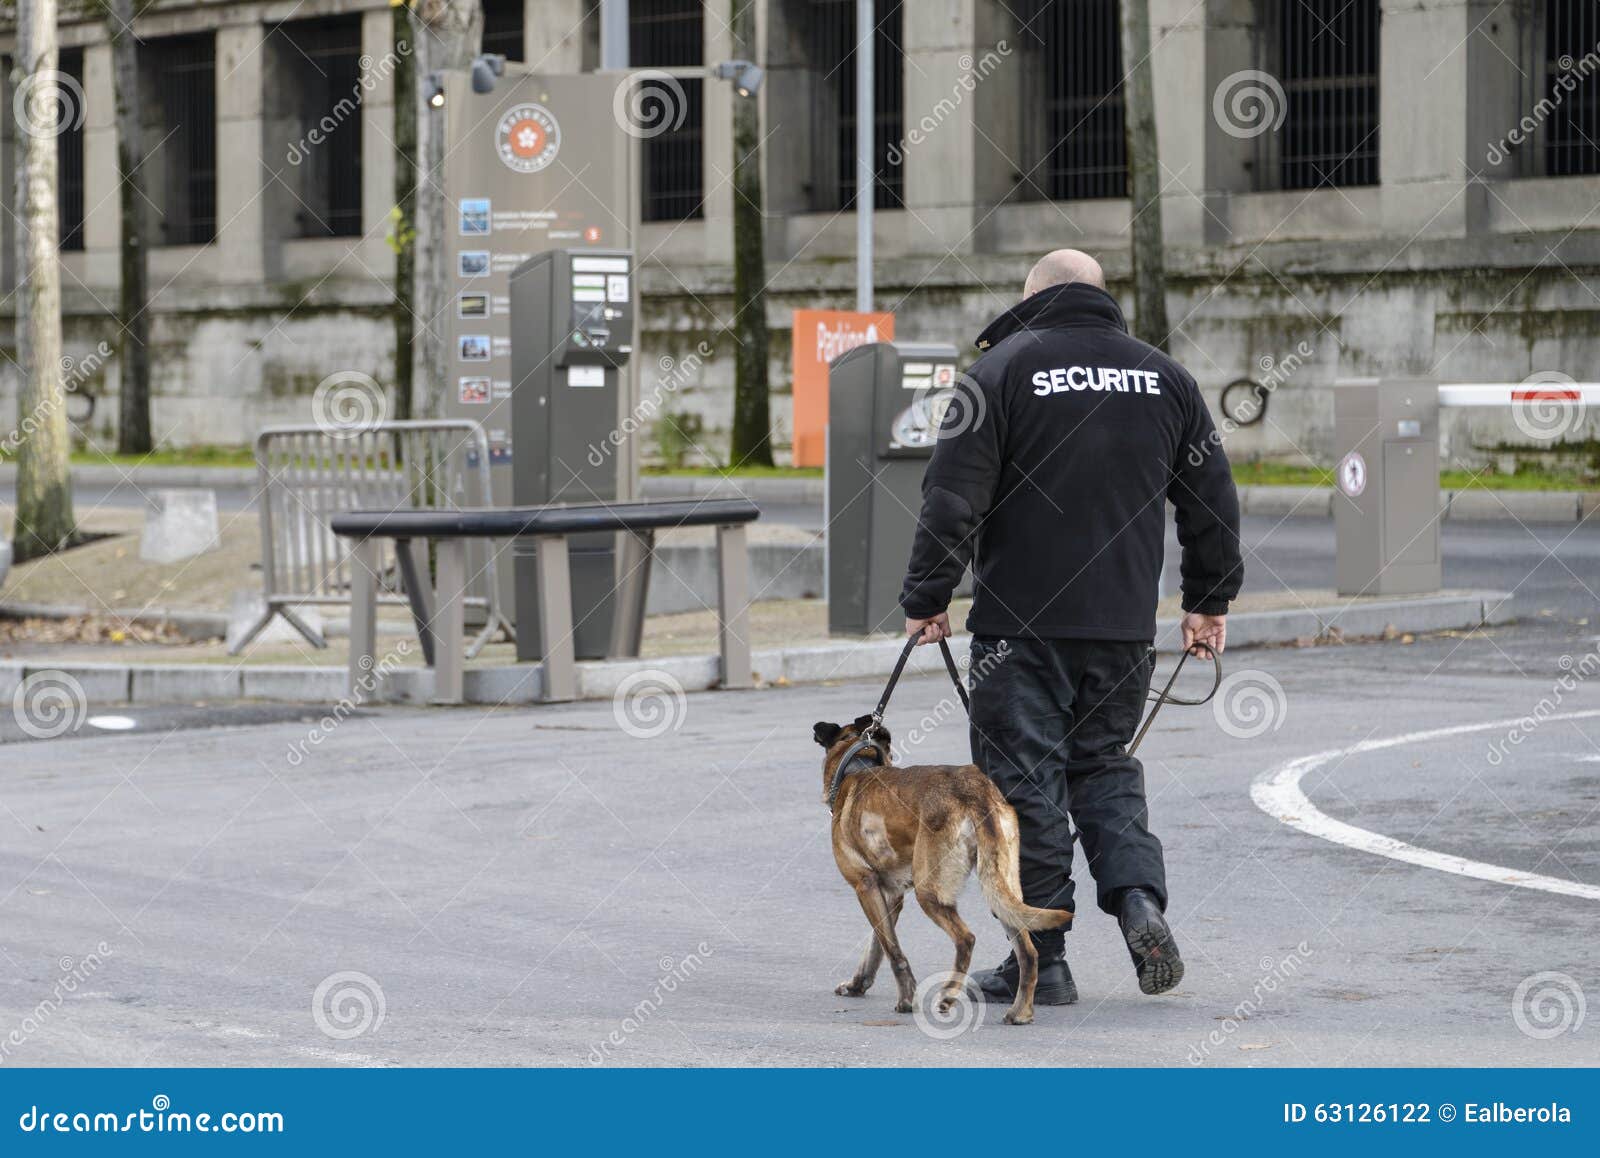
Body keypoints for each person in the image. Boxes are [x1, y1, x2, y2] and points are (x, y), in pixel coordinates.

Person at [900, 249, 1243, 1004]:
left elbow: (950, 498)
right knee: (1103, 765)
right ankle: (1139, 901)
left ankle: (1041, 962)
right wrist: (1208, 599)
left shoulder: (998, 373)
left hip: (1020, 629)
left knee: (1022, 787)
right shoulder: (1166, 377)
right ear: (1098, 295)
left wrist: (927, 596)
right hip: (1122, 626)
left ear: (1032, 297)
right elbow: (1211, 495)